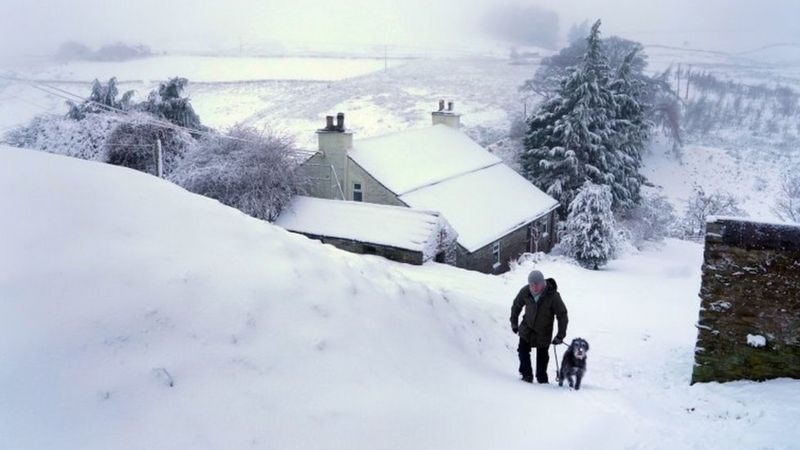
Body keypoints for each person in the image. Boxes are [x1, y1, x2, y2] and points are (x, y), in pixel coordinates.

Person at [510, 270, 568, 384]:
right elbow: (516, 306)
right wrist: (514, 323)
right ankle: (526, 375)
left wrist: (560, 335)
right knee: (522, 351)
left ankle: (542, 379)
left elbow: (562, 315)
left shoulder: (553, 296)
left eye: (537, 284)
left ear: (543, 283)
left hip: (544, 331)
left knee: (542, 357)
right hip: (527, 328)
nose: (534, 287)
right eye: (532, 284)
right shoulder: (525, 291)